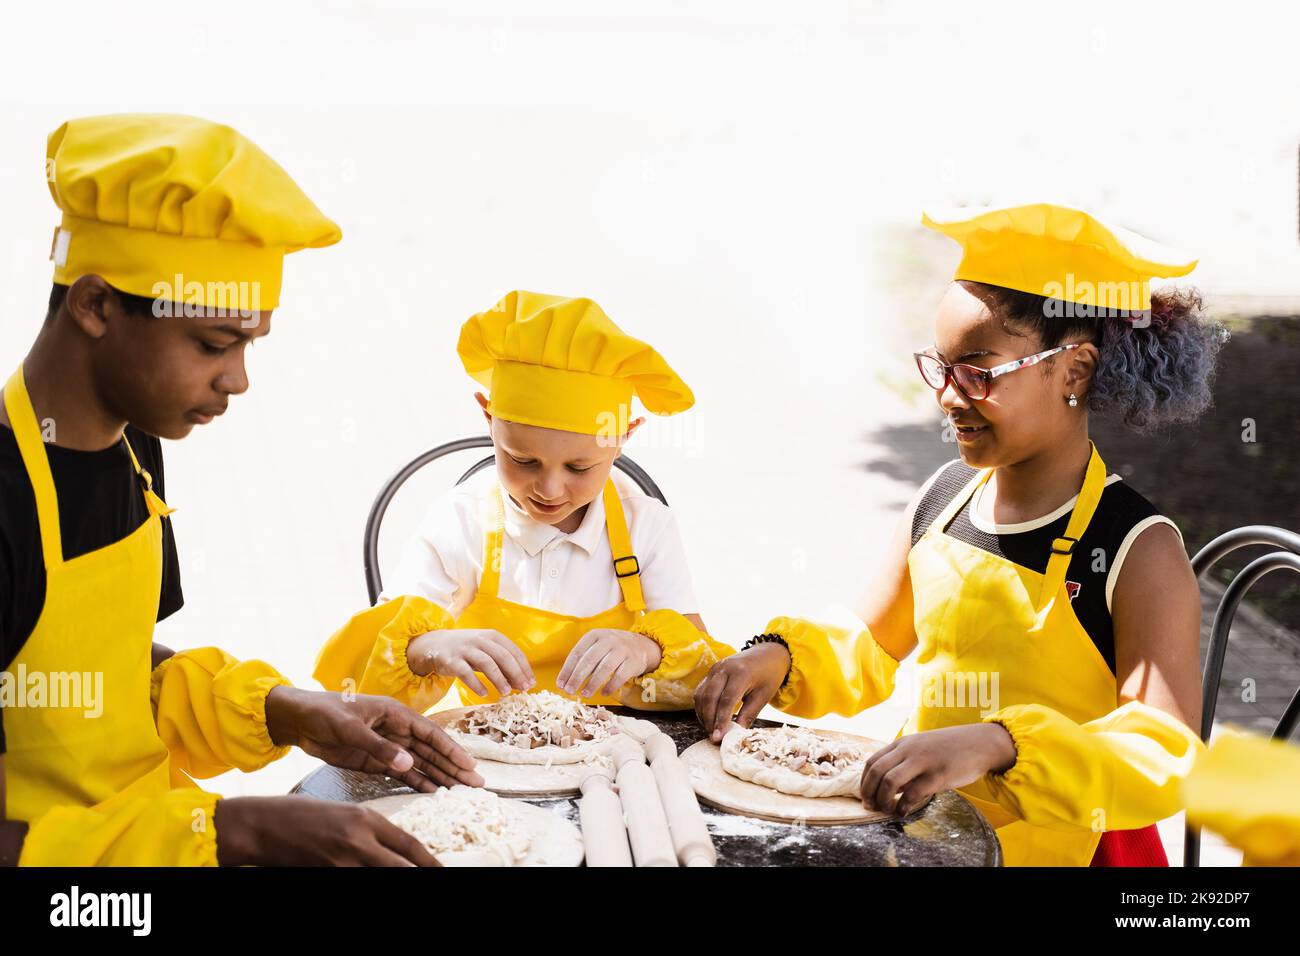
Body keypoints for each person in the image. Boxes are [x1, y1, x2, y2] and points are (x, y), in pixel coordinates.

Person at [0, 113, 481, 868]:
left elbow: (106, 674)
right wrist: (227, 832)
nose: (238, 380)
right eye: (212, 344)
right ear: (95, 305)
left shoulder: (133, 445)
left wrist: (288, 711)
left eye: (248, 344)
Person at [696, 202, 1222, 866]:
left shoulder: (1137, 548)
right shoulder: (941, 501)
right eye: (939, 367)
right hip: (931, 841)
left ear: (1075, 370)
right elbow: (870, 645)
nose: (947, 395)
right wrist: (779, 656)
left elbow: (1164, 750)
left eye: (979, 372)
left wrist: (1001, 743)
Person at [316, 290, 732, 713]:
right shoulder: (460, 522)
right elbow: (365, 673)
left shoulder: (647, 528)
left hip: (619, 752)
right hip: (489, 754)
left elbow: (705, 675)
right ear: (489, 419)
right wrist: (430, 646)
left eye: (579, 467)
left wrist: (648, 652)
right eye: (523, 460)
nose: (549, 490)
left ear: (624, 437)